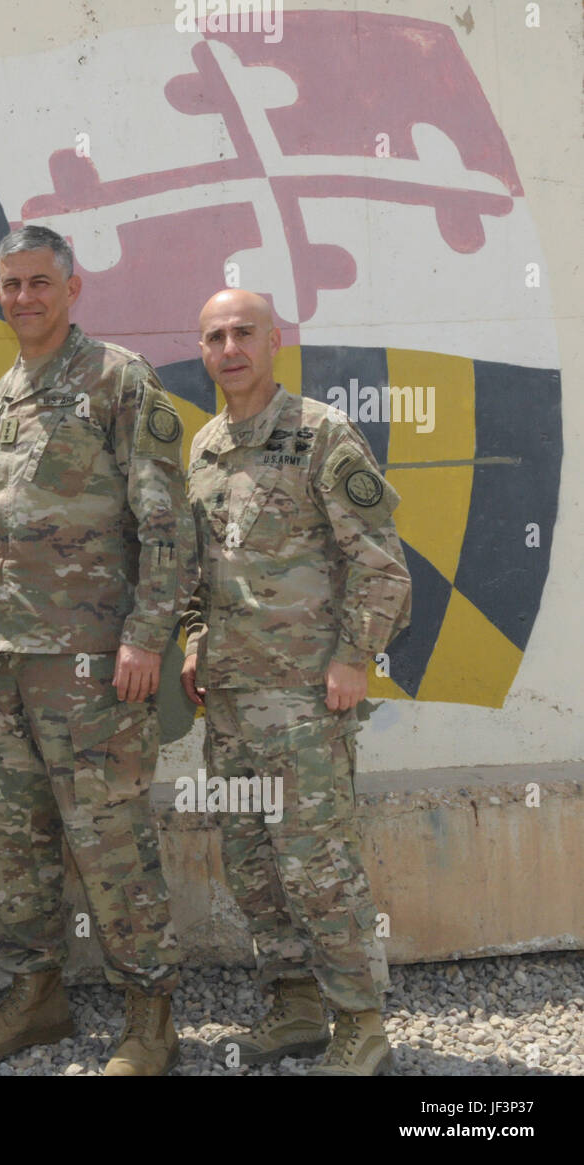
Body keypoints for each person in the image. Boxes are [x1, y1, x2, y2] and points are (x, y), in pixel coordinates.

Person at [0, 226, 195, 1076]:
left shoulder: (120, 380)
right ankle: (36, 995)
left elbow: (166, 521)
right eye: (9, 283)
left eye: (38, 282)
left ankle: (150, 1014)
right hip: (5, 661)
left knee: (110, 838)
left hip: (92, 663)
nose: (23, 297)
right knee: (9, 838)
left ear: (72, 288)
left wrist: (146, 635)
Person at [181, 288, 412, 1076]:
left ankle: (361, 1020)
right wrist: (193, 639)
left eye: (244, 331)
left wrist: (355, 656)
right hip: (232, 702)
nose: (229, 346)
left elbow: (381, 562)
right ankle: (296, 1004)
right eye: (215, 336)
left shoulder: (321, 434)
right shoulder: (206, 447)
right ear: (203, 351)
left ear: (276, 339)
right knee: (251, 862)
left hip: (307, 702)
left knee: (319, 864)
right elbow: (206, 572)